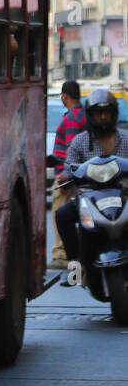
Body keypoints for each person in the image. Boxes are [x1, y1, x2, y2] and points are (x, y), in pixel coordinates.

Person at [53, 87, 128, 284]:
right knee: (62, 215)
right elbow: (69, 167)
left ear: (114, 114)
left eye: (107, 112)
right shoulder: (79, 141)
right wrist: (65, 178)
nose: (103, 117)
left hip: (123, 198)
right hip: (90, 200)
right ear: (90, 115)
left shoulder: (127, 138)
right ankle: (76, 268)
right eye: (98, 113)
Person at [49, 80, 86, 263]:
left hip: (66, 175)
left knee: (59, 212)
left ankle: (62, 253)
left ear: (64, 96)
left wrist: (66, 177)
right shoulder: (82, 114)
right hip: (78, 174)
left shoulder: (72, 117)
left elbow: (72, 148)